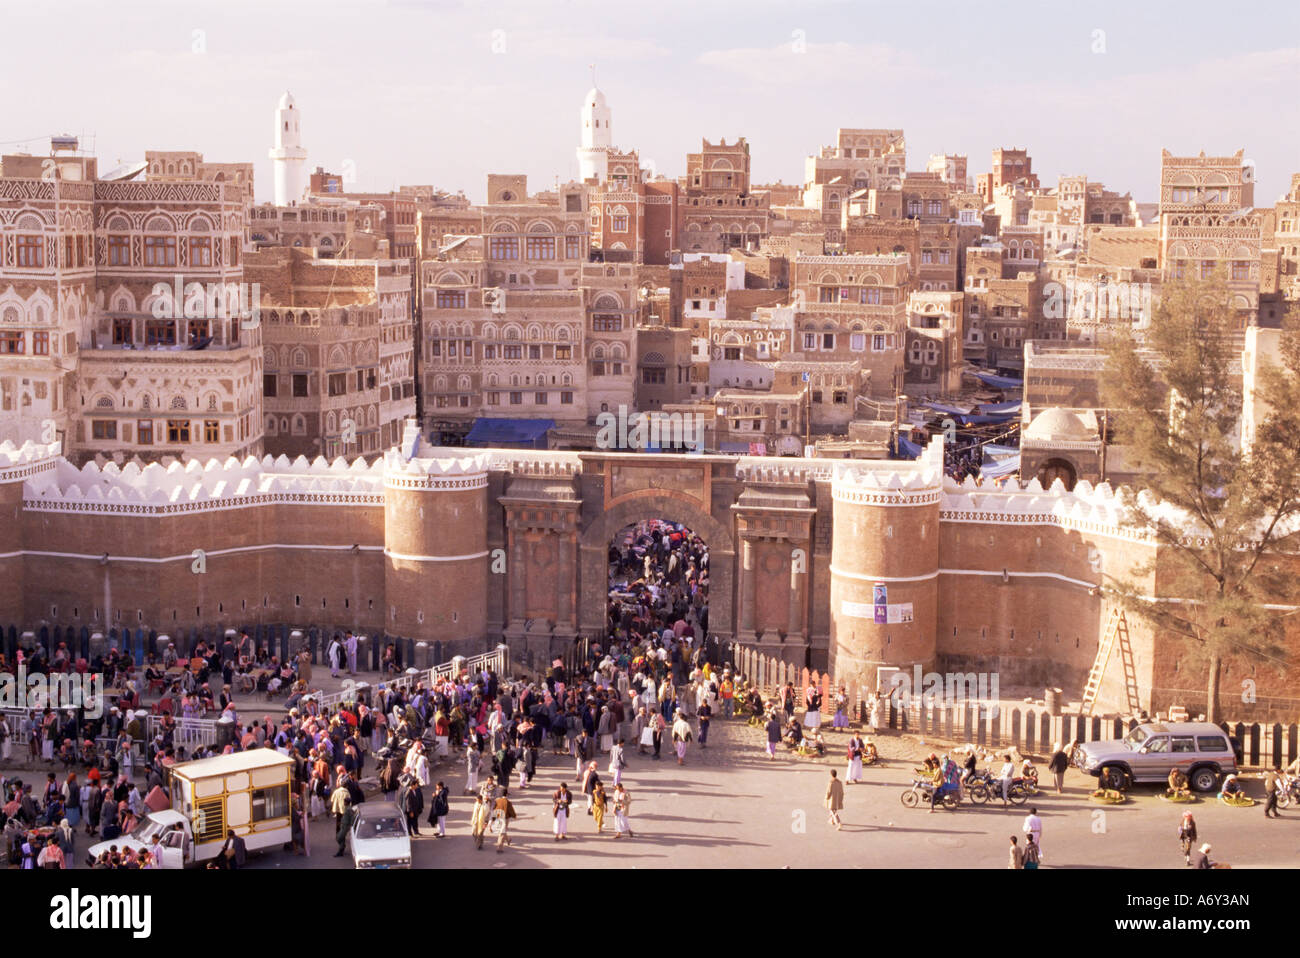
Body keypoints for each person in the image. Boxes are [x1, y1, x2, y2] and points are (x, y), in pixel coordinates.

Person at [492, 788, 517, 854]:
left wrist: (493, 819)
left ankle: (508, 840)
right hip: (505, 819)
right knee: (502, 833)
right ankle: (499, 847)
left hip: (498, 817)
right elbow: (511, 810)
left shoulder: (497, 801)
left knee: (501, 831)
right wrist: (514, 816)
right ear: (506, 794)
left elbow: (494, 809)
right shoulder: (508, 802)